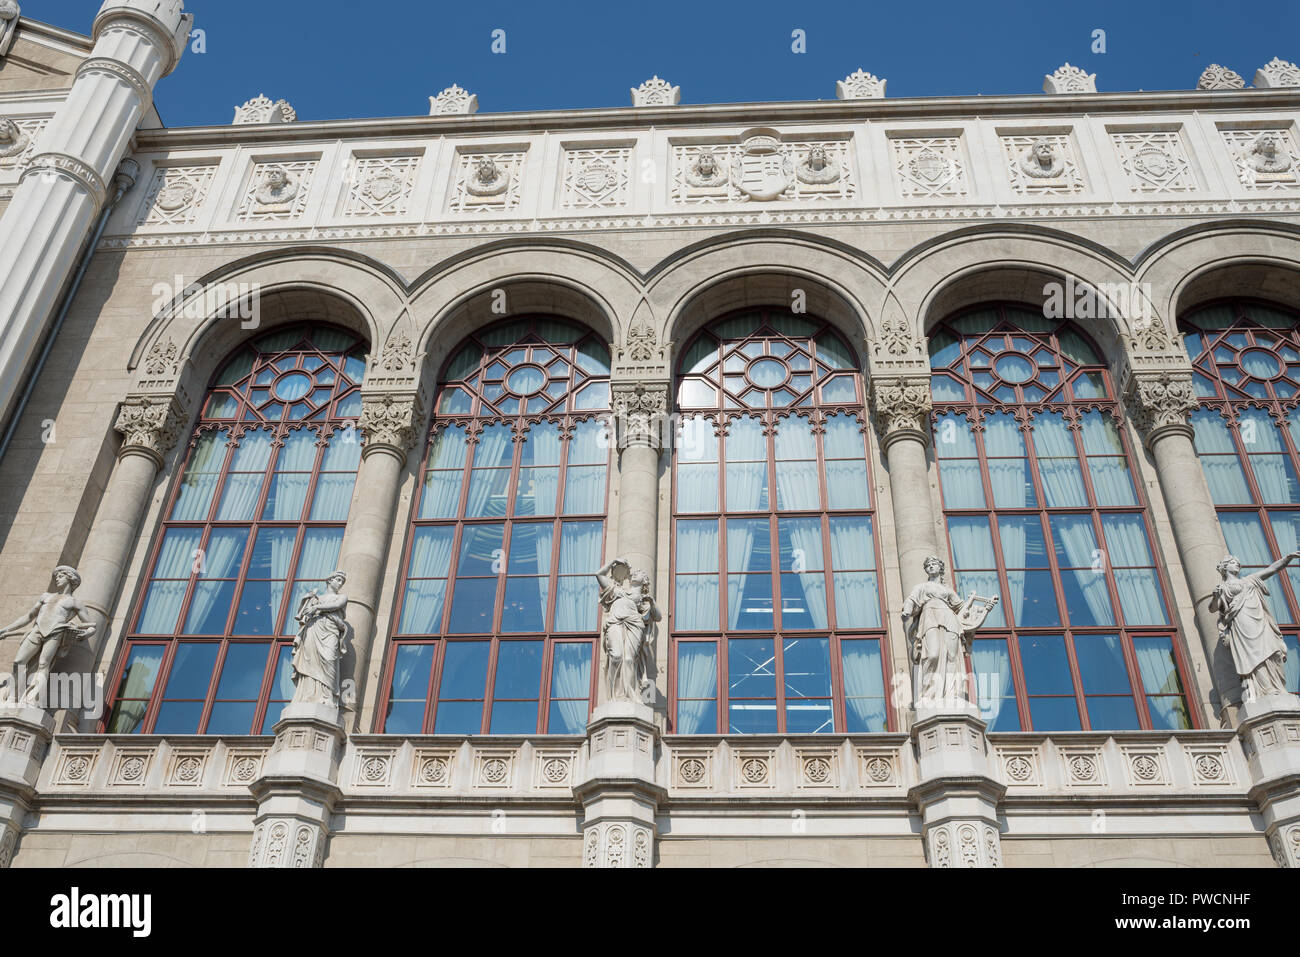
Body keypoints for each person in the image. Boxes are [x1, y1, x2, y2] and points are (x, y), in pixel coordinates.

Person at [0, 566, 96, 709]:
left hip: (55, 633)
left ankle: (31, 699)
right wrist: (6, 629)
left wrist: (87, 632)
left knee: (44, 664)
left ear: (70, 579)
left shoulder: (74, 602)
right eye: (56, 576)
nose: (57, 579)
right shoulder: (46, 596)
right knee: (18, 661)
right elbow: (28, 617)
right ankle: (13, 696)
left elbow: (91, 625)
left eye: (61, 576)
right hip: (37, 631)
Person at [1210, 552, 1299, 703]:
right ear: (1225, 567)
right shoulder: (1223, 588)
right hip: (1242, 625)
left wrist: (1286, 559)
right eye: (1233, 562)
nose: (1237, 564)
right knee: (1254, 657)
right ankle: (1266, 690)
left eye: (1237, 562)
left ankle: (1277, 687)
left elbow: (1271, 569)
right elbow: (1212, 608)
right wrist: (1216, 596)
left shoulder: (1248, 580)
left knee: (1273, 652)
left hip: (1260, 622)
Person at [596, 558, 660, 703]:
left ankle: (629, 695)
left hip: (634, 625)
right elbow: (599, 575)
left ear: (644, 581)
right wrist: (613, 561)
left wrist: (652, 602)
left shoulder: (643, 599)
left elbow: (658, 617)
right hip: (615, 623)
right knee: (616, 656)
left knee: (629, 659)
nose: (635, 573)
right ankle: (613, 697)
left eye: (639, 573)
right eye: (635, 572)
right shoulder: (616, 590)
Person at [290, 570, 349, 707]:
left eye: (342, 581)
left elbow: (335, 606)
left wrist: (316, 607)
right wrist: (307, 601)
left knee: (329, 659)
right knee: (310, 661)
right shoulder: (317, 598)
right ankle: (308, 695)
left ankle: (328, 696)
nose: (340, 583)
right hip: (314, 628)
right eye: (338, 580)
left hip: (330, 631)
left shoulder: (342, 597)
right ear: (329, 580)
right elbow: (303, 614)